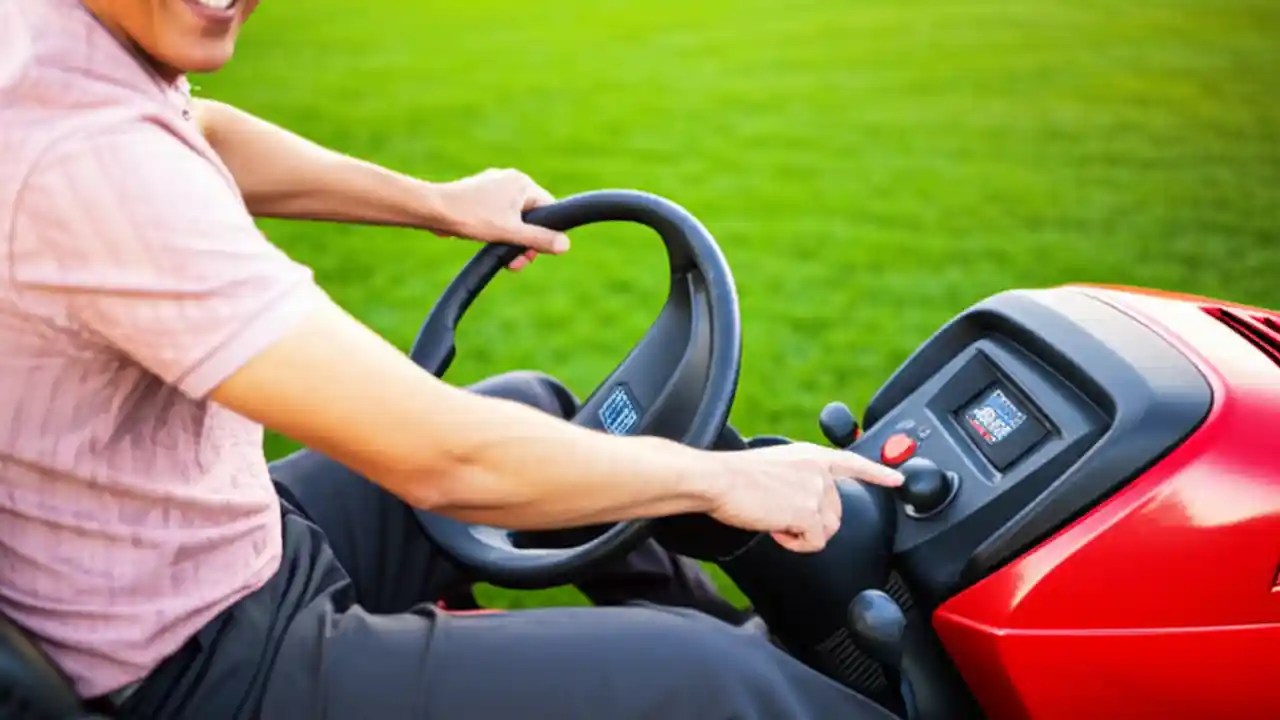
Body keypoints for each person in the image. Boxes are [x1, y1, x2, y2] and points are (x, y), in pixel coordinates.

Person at [0, 0, 905, 718]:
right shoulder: (86, 160)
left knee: (538, 407)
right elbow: (444, 458)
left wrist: (436, 202)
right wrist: (714, 480)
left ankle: (785, 654)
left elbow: (203, 130)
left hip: (204, 541)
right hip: (197, 667)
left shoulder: (58, 44)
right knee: (712, 686)